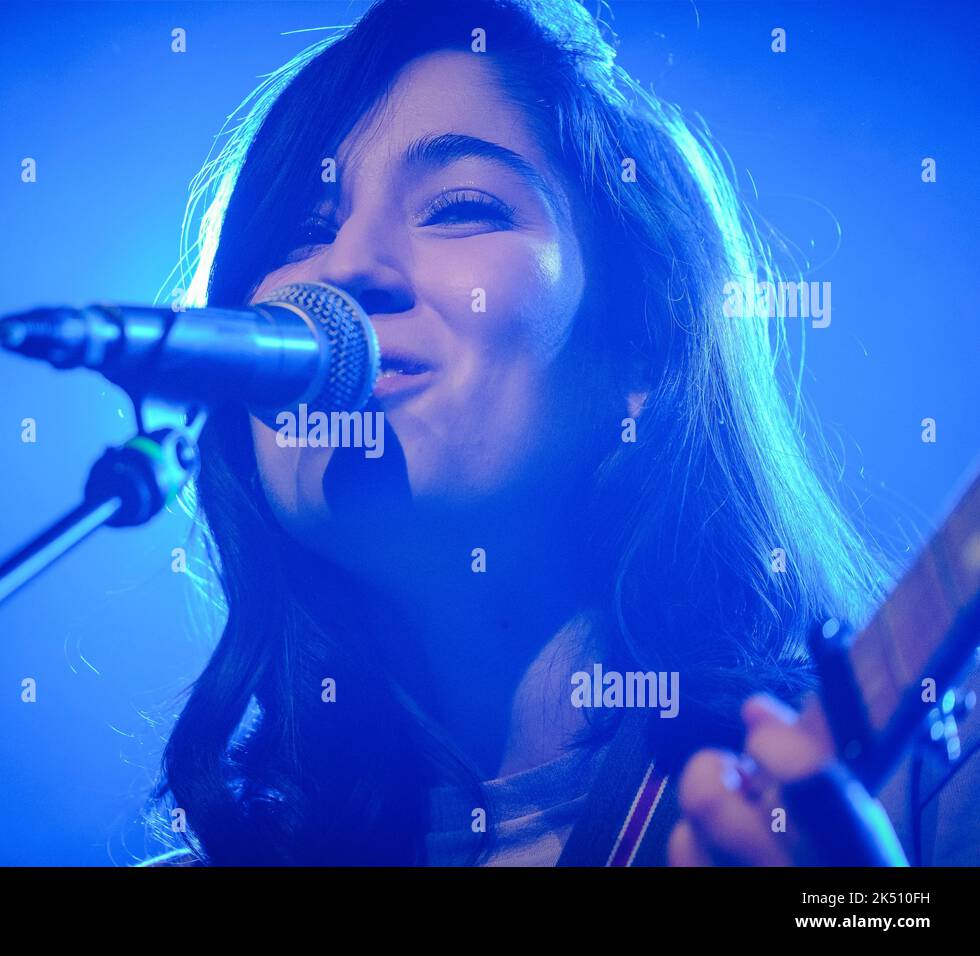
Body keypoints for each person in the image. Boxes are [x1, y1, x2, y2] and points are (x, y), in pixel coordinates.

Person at [138, 0, 968, 866]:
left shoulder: (912, 802)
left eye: (460, 207)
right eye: (307, 229)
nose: (344, 268)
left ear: (639, 350)